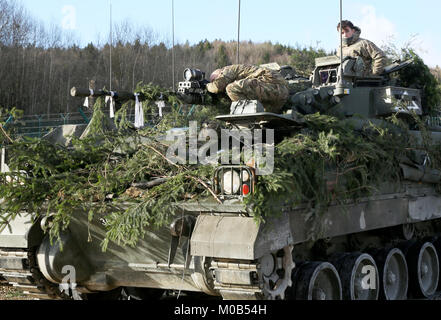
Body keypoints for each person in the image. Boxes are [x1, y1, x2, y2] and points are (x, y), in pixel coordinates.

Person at [206, 64, 290, 113]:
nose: (214, 81)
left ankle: (244, 114)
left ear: (219, 73)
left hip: (272, 85)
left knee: (231, 88)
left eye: (214, 79)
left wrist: (206, 86)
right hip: (279, 95)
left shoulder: (227, 70)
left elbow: (217, 86)